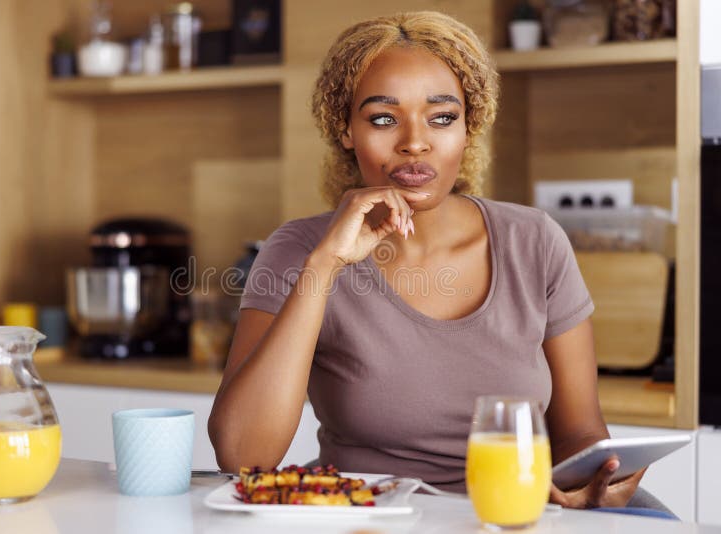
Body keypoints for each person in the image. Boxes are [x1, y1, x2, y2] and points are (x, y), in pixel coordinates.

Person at [208, 10, 650, 511]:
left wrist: (592, 480)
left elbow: (578, 432)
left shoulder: (535, 242)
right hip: (370, 519)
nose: (415, 142)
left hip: (508, 515)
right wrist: (326, 264)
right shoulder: (299, 250)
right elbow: (242, 456)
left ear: (469, 127)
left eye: (442, 117)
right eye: (382, 118)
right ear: (345, 129)